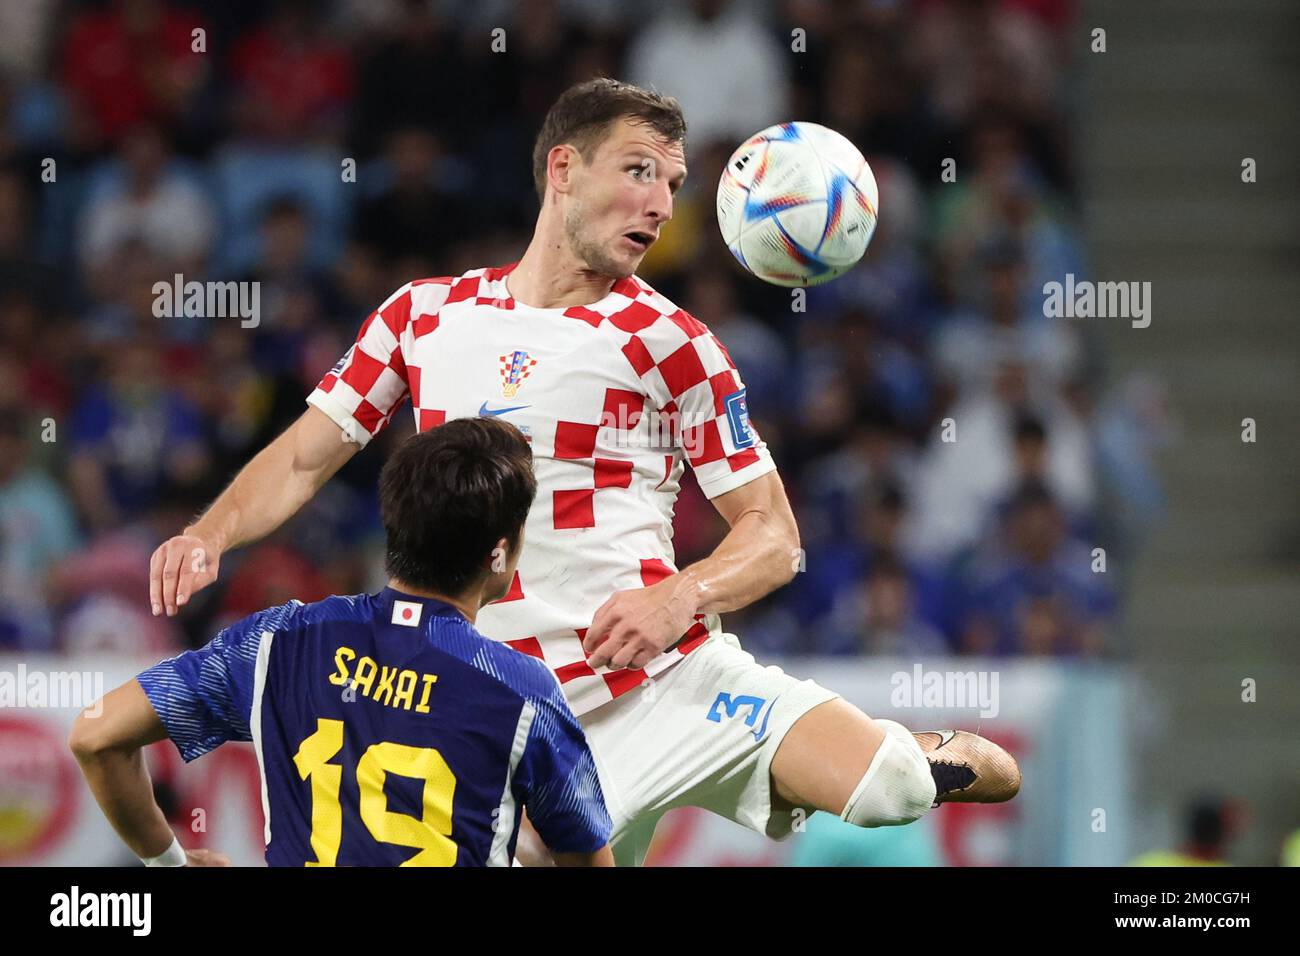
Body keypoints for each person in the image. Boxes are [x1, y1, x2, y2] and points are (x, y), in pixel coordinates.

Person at [148, 78, 1019, 866]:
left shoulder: (673, 343)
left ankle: (920, 749)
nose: (660, 204)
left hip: (669, 683)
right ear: (563, 168)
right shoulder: (424, 317)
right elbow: (308, 451)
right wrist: (208, 532)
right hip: (513, 717)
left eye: (674, 185)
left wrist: (678, 598)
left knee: (889, 792)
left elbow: (774, 538)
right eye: (640, 172)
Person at [72, 418, 614, 866]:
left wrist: (168, 861)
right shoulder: (520, 691)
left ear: (394, 526)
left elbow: (97, 735)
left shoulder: (277, 643)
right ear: (501, 551)